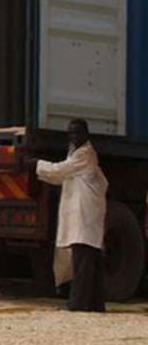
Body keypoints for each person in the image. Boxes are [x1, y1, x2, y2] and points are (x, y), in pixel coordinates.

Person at [36, 119, 108, 312]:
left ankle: (78, 304)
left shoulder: (84, 154)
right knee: (88, 261)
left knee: (82, 264)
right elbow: (61, 176)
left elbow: (60, 170)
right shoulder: (76, 153)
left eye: (77, 133)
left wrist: (37, 165)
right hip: (85, 217)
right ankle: (94, 304)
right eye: (71, 133)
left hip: (84, 217)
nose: (73, 136)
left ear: (86, 134)